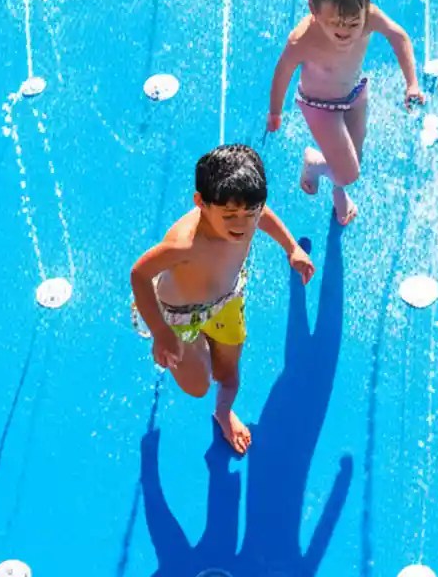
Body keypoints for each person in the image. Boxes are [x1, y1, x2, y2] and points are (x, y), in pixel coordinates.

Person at [131, 144, 314, 454]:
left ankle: (224, 413)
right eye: (229, 215)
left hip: (226, 300)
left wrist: (291, 247)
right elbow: (139, 274)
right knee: (198, 386)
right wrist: (162, 332)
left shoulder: (249, 212)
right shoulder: (184, 245)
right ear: (201, 203)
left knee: (227, 373)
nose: (242, 224)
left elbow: (264, 216)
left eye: (249, 213)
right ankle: (187, 346)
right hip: (178, 316)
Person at [266, 0, 426, 226]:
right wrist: (275, 111)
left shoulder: (370, 18)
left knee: (354, 159)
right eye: (335, 23)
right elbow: (283, 72)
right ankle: (315, 164)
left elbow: (398, 37)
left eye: (354, 24)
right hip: (319, 105)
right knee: (349, 171)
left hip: (354, 94)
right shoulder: (302, 39)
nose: (345, 32)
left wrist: (412, 83)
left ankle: (337, 190)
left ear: (366, 8)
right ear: (313, 10)